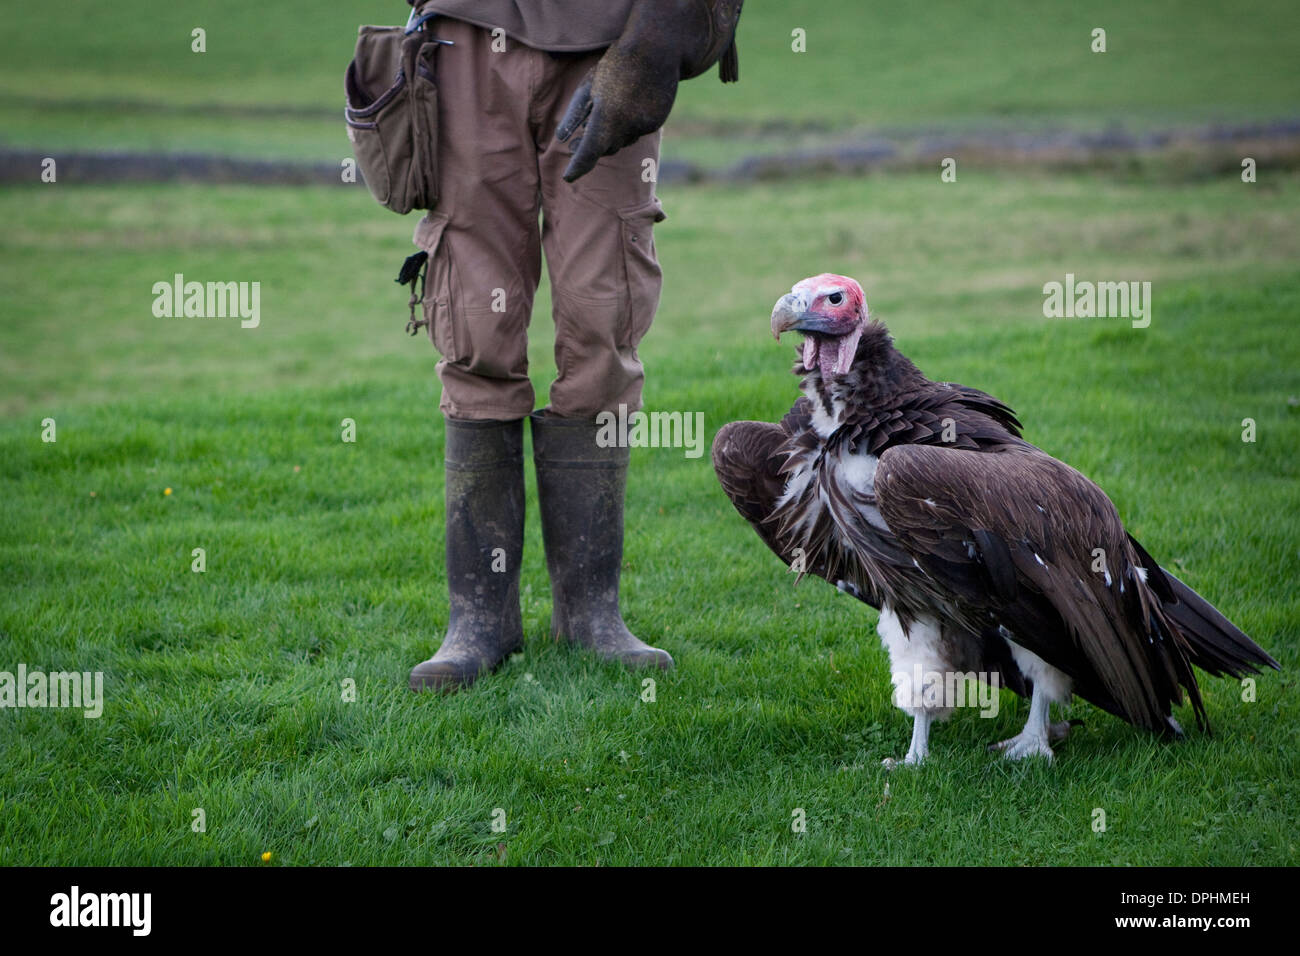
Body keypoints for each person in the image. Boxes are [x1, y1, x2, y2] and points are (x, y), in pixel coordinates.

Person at [396, 0, 744, 691]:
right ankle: (478, 621)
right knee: (474, 321)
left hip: (615, 40)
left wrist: (657, 43)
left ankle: (591, 615)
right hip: (466, 32)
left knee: (603, 315)